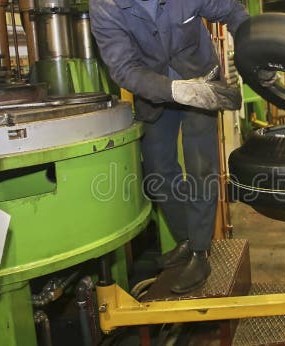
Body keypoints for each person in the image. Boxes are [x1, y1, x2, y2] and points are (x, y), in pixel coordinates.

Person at [90, 0, 249, 293]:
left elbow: (233, 11)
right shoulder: (105, 6)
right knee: (157, 171)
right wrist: (175, 90)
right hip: (154, 91)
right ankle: (187, 238)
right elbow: (123, 68)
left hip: (202, 84)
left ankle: (200, 252)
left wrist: (252, 53)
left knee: (200, 166)